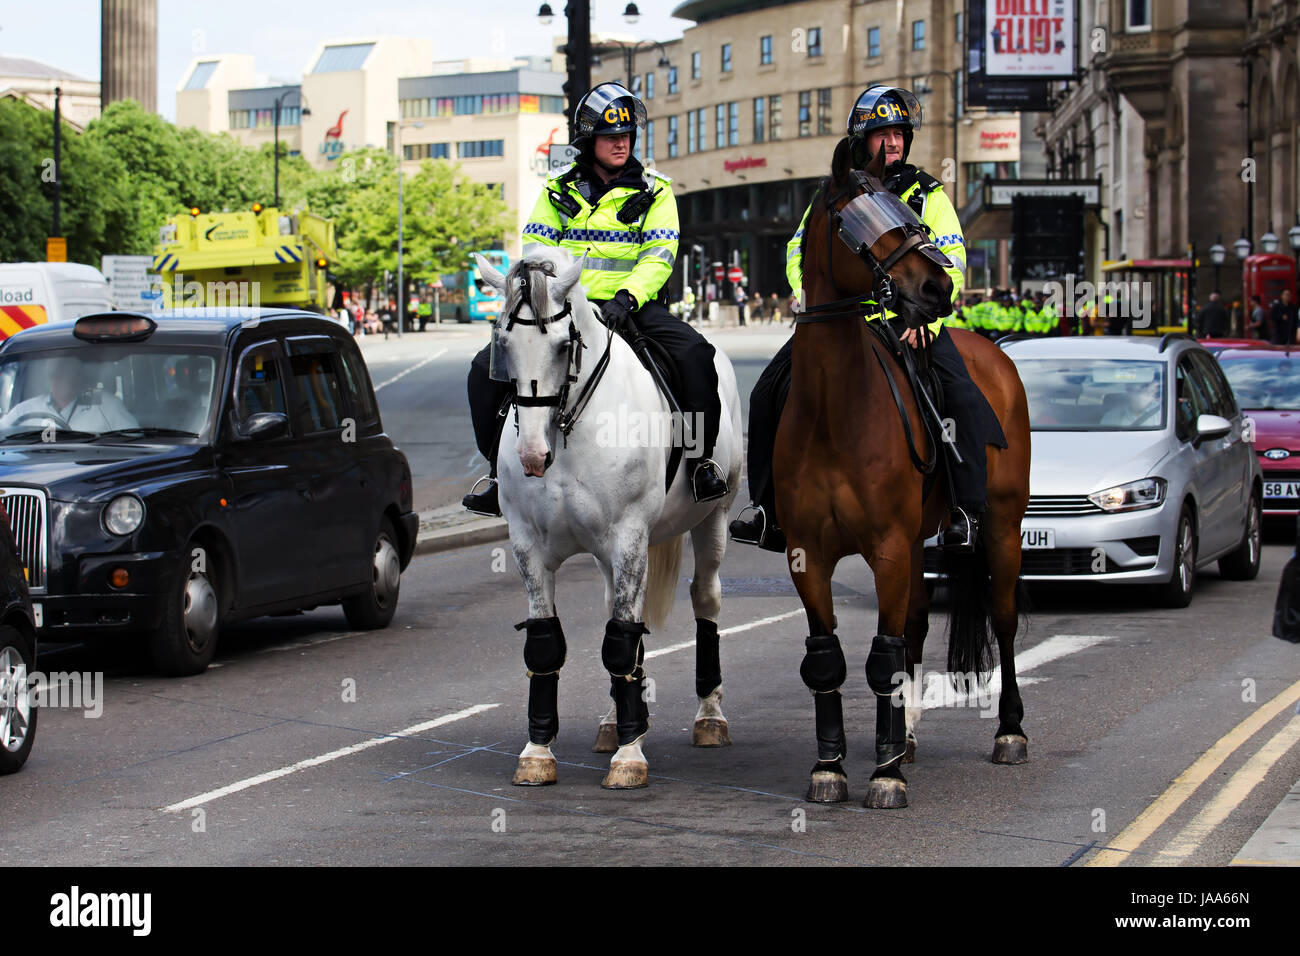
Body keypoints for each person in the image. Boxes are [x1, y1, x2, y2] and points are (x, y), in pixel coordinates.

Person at [729, 84, 1001, 553]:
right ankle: (767, 510)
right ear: (862, 142)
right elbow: (801, 250)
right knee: (766, 392)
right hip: (840, 322)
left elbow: (951, 258)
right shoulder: (839, 194)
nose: (893, 142)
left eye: (899, 133)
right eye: (882, 134)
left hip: (910, 324)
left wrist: (926, 323)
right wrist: (809, 299)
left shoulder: (927, 193)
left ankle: (964, 510)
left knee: (962, 396)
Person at [462, 81, 729, 517]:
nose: (621, 143)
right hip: (565, 309)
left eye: (626, 136)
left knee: (696, 357)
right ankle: (496, 472)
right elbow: (535, 252)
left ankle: (701, 465)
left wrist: (628, 296)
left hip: (633, 309)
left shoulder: (657, 192)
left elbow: (659, 256)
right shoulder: (556, 192)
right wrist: (557, 298)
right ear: (589, 142)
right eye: (610, 137)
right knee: (482, 370)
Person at [0, 355, 138, 432]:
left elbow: (134, 443)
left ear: (79, 376)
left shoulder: (107, 406)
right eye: (55, 373)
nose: (58, 377)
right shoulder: (25, 410)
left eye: (65, 371)